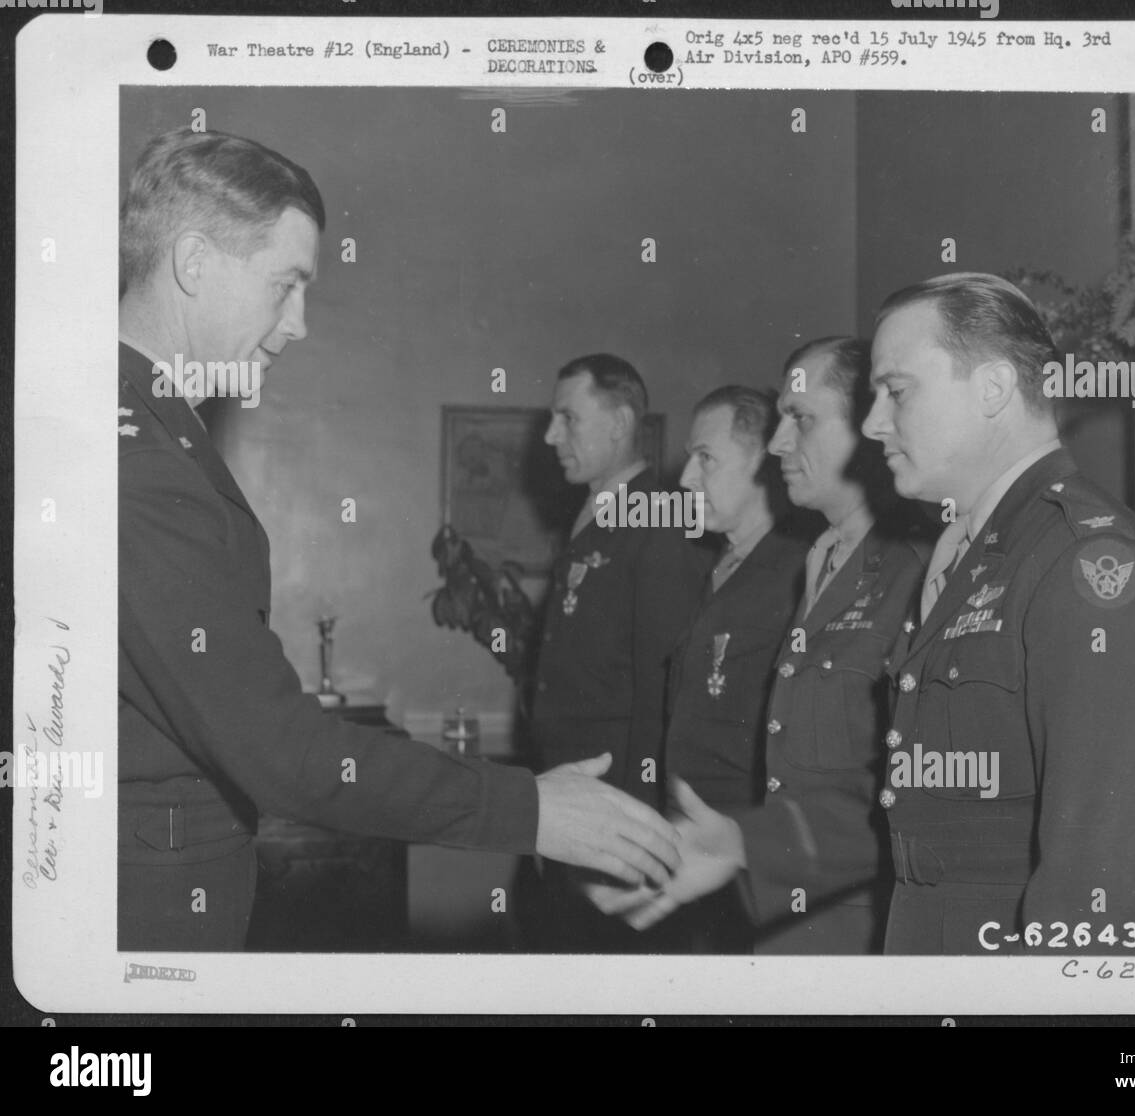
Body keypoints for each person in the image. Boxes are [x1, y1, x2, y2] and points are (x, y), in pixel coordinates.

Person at [116, 128, 680, 951]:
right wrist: (528, 809)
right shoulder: (142, 459)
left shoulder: (155, 425)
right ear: (195, 264)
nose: (300, 323)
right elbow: (281, 754)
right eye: (286, 285)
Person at [861, 272, 1135, 954]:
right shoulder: (981, 551)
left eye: (895, 391)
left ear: (992, 389)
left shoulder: (1092, 565)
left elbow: (1104, 905)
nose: (872, 422)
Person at [586, 339, 931, 954]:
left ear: (869, 422)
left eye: (800, 419)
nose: (777, 445)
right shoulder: (824, 559)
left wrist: (748, 844)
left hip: (861, 939)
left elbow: (911, 807)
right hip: (780, 920)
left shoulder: (919, 568)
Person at [519, 354, 711, 951]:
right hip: (570, 803)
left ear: (620, 421)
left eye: (567, 419)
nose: (552, 436)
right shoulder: (589, 513)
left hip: (617, 814)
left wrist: (638, 831)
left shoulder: (662, 516)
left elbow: (664, 684)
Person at [658, 386, 811, 950]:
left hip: (754, 870)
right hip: (698, 857)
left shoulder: (801, 573)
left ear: (764, 461)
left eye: (707, 458)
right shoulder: (717, 565)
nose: (686, 480)